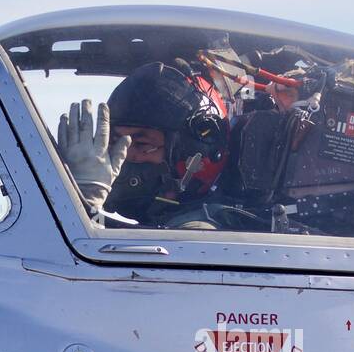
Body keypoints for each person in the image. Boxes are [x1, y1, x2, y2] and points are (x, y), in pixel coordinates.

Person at [56, 61, 232, 229]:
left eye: (141, 144)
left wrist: (87, 203)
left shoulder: (198, 232)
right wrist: (85, 203)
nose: (124, 154)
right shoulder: (156, 227)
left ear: (195, 153)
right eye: (116, 142)